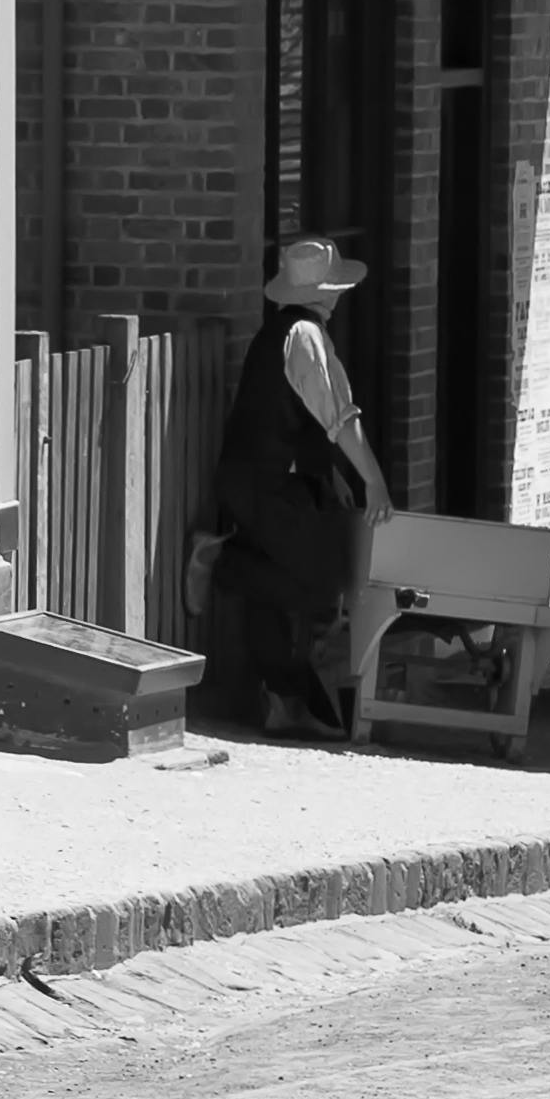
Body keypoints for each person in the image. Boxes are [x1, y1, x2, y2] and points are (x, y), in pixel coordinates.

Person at [205, 237, 395, 740]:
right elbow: (339, 418)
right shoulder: (306, 337)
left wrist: (331, 477)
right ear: (327, 292)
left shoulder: (282, 332)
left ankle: (285, 701)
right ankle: (223, 564)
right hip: (267, 484)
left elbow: (303, 419)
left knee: (278, 593)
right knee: (319, 586)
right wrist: (373, 481)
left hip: (254, 480)